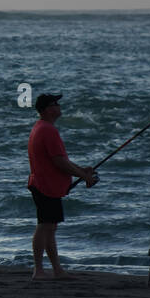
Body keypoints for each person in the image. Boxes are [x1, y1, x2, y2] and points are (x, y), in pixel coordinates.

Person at [27, 93, 98, 279]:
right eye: (55, 104)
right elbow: (59, 162)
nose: (59, 106)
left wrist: (82, 170)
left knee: (50, 227)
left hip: (44, 185)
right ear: (48, 109)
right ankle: (39, 270)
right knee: (44, 226)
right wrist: (84, 176)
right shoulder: (48, 130)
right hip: (45, 186)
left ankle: (56, 270)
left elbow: (61, 160)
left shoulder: (42, 127)